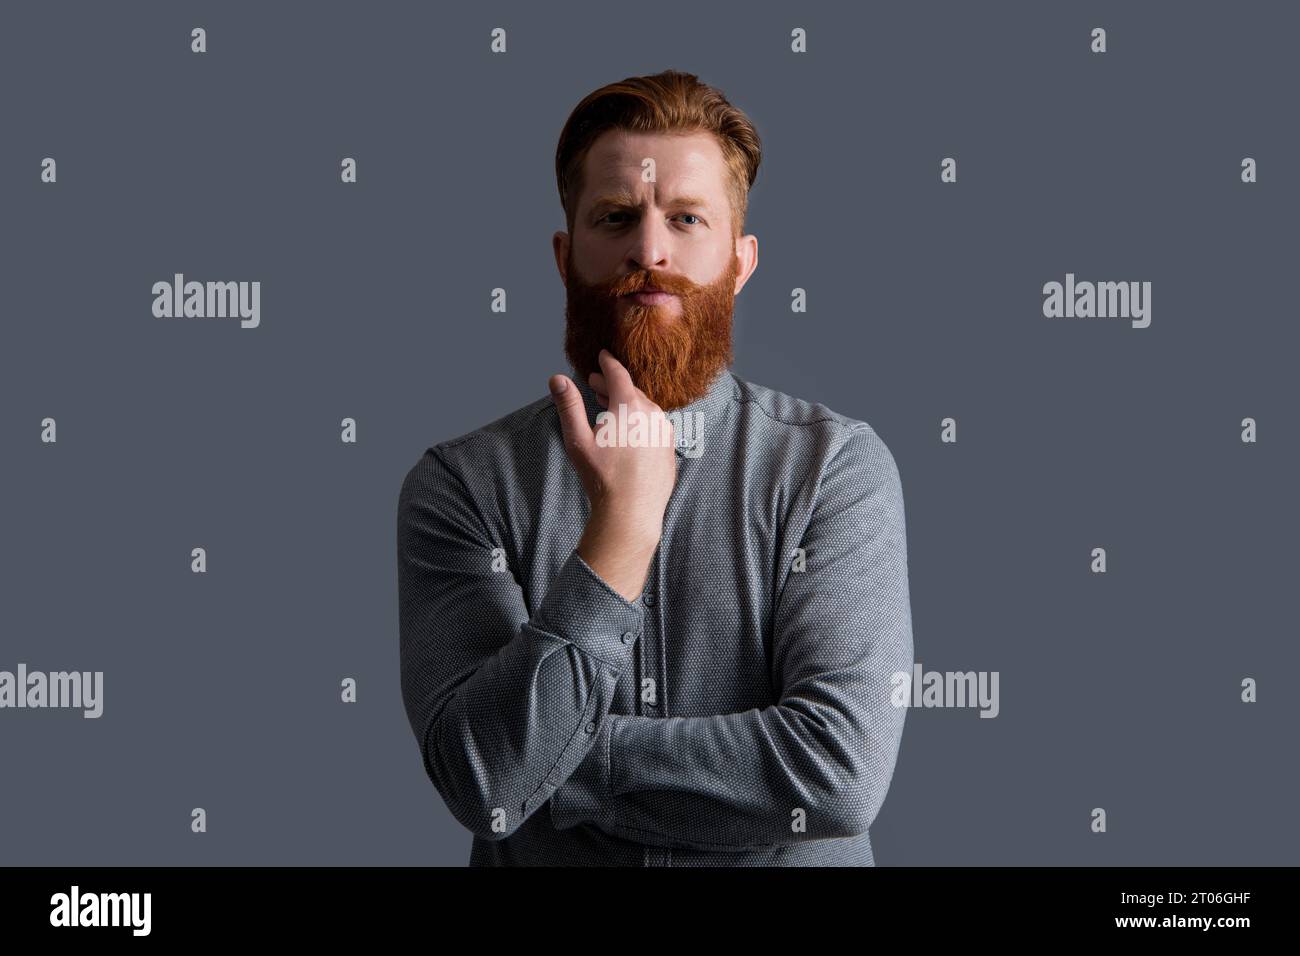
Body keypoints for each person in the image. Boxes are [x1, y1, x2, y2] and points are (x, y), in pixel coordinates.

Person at [398, 69, 913, 865]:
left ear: (741, 263)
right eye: (617, 217)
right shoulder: (463, 485)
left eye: (686, 218)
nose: (649, 249)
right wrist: (622, 532)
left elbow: (838, 775)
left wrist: (573, 766)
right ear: (566, 256)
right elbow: (488, 783)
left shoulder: (835, 471)